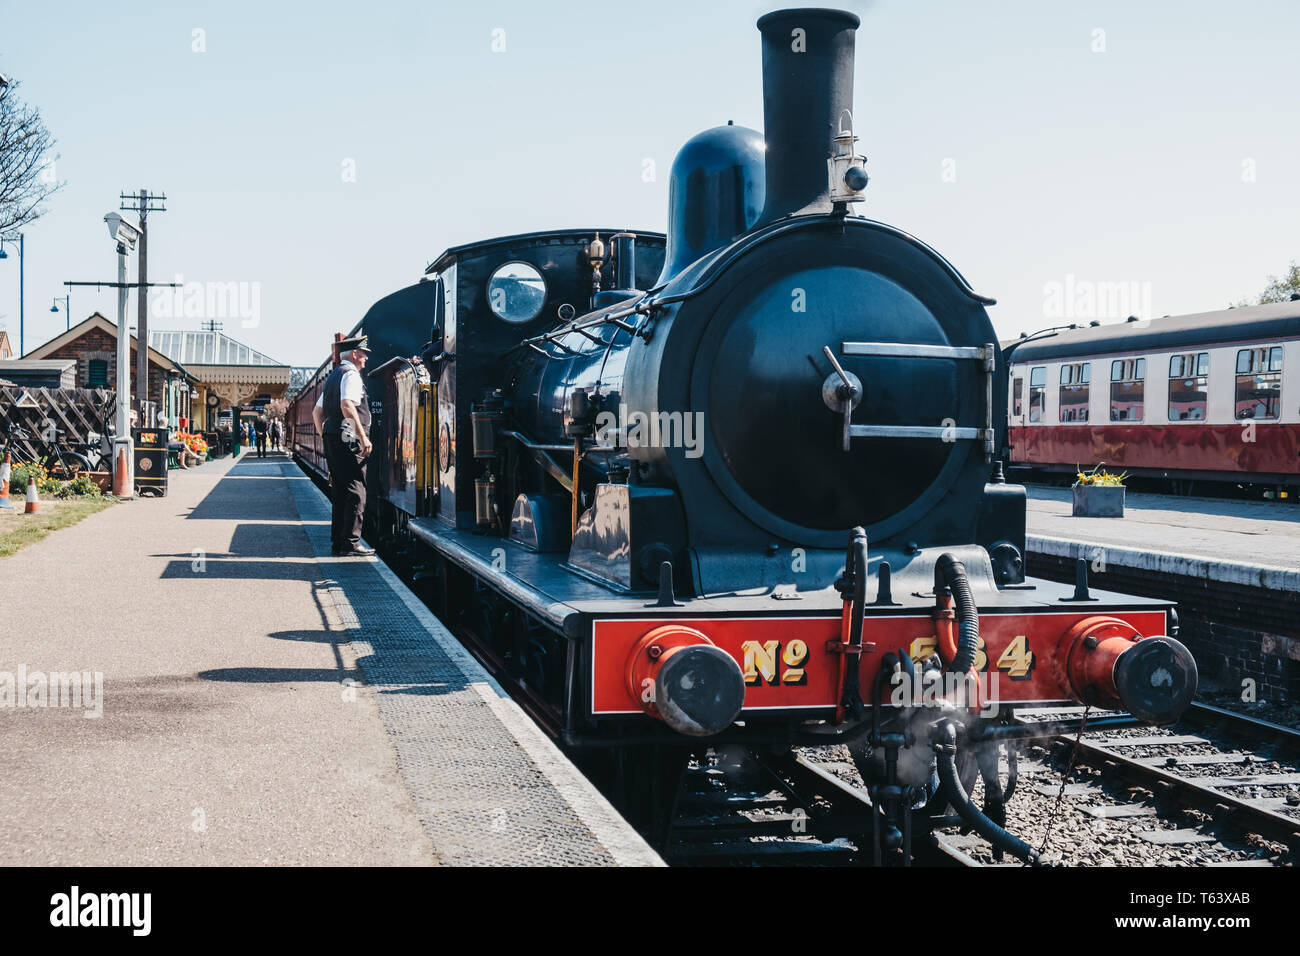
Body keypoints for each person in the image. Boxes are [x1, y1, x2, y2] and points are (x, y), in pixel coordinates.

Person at [312, 336, 374, 556]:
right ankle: (351, 543)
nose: (366, 358)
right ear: (355, 354)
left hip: (333, 435)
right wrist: (362, 437)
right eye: (364, 353)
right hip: (348, 436)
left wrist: (327, 436)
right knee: (357, 488)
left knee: (339, 489)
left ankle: (338, 542)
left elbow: (316, 413)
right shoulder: (351, 374)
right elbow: (347, 405)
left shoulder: (333, 377)